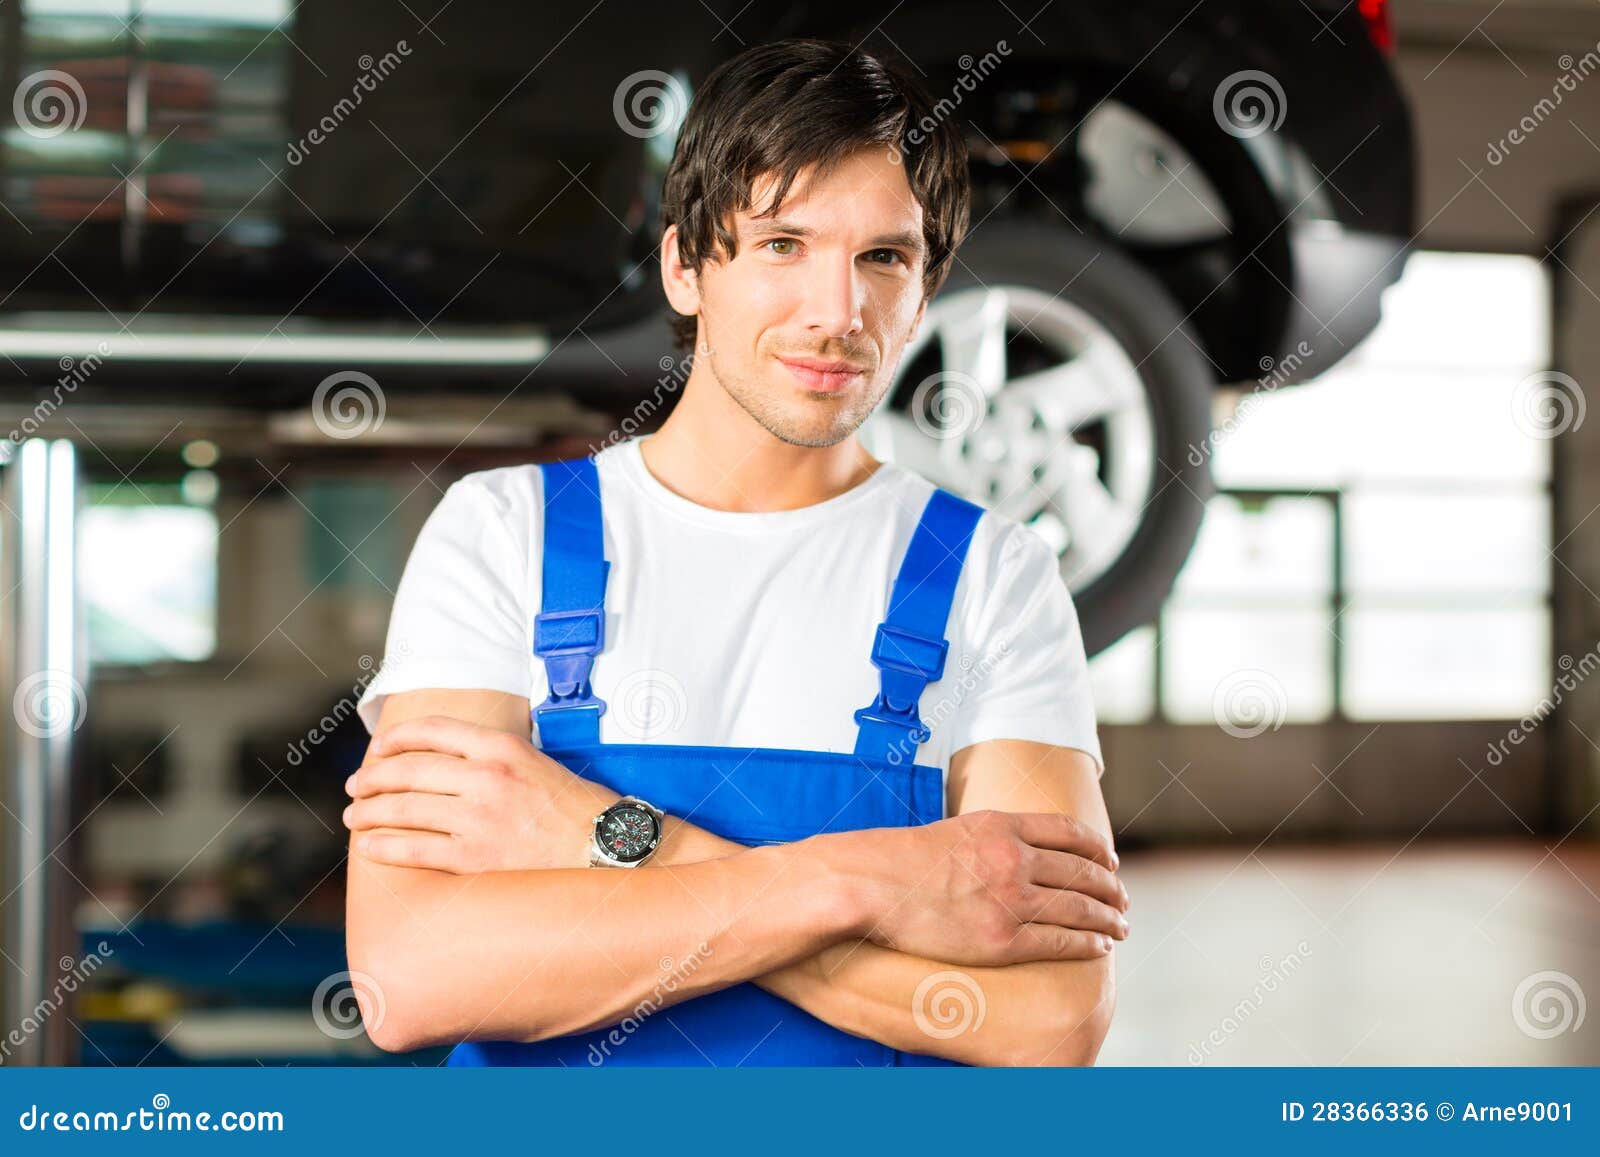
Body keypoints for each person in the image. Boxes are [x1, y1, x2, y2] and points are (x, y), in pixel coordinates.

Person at [342, 37, 1128, 1067]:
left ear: (926, 289)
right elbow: (412, 976)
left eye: (884, 258)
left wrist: (598, 838)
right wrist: (862, 884)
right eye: (783, 244)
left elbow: (1051, 1022)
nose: (837, 314)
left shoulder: (994, 577)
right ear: (684, 267)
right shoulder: (502, 535)